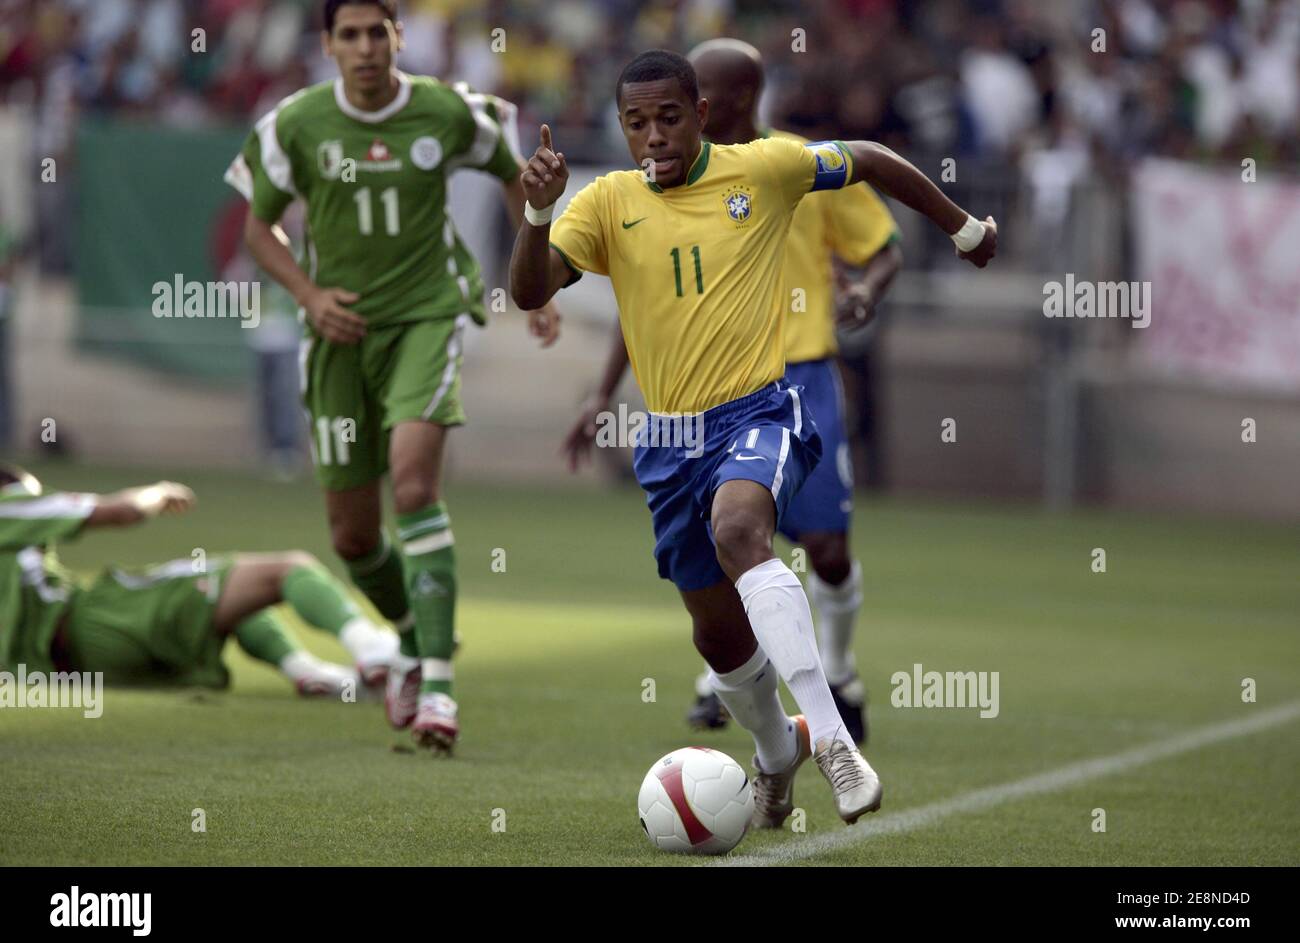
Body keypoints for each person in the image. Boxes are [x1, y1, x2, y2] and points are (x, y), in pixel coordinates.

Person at [511, 50, 996, 827]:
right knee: (717, 637)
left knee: (743, 529)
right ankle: (777, 749)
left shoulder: (762, 169)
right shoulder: (604, 202)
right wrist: (537, 214)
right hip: (668, 443)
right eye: (636, 123)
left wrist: (964, 227)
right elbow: (529, 290)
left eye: (670, 117)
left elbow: (868, 158)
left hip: (760, 410)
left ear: (702, 113)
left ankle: (834, 739)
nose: (654, 136)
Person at [225, 0, 561, 754]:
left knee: (413, 484)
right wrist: (309, 297)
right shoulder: (294, 124)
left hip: (425, 317)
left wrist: (536, 283)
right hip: (337, 337)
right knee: (352, 538)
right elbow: (257, 227)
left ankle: (438, 685)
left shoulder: (447, 111)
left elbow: (516, 178)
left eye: (379, 32)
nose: (366, 47)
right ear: (329, 45)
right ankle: (412, 635)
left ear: (399, 39)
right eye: (351, 34)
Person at [561, 39, 903, 744]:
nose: (662, 127)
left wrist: (866, 287)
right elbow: (648, 306)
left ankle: (834, 675)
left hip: (794, 372)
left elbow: (881, 242)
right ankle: (741, 687)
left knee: (826, 548)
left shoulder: (788, 164)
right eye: (643, 116)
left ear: (733, 100)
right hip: (690, 400)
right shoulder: (651, 192)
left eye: (692, 103)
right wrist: (603, 391)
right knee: (733, 542)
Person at [0, 463, 404, 701]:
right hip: (97, 621)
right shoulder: (9, 507)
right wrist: (158, 491)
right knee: (289, 568)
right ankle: (373, 648)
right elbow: (120, 511)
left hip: (70, 670)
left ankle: (309, 671)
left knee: (220, 604)